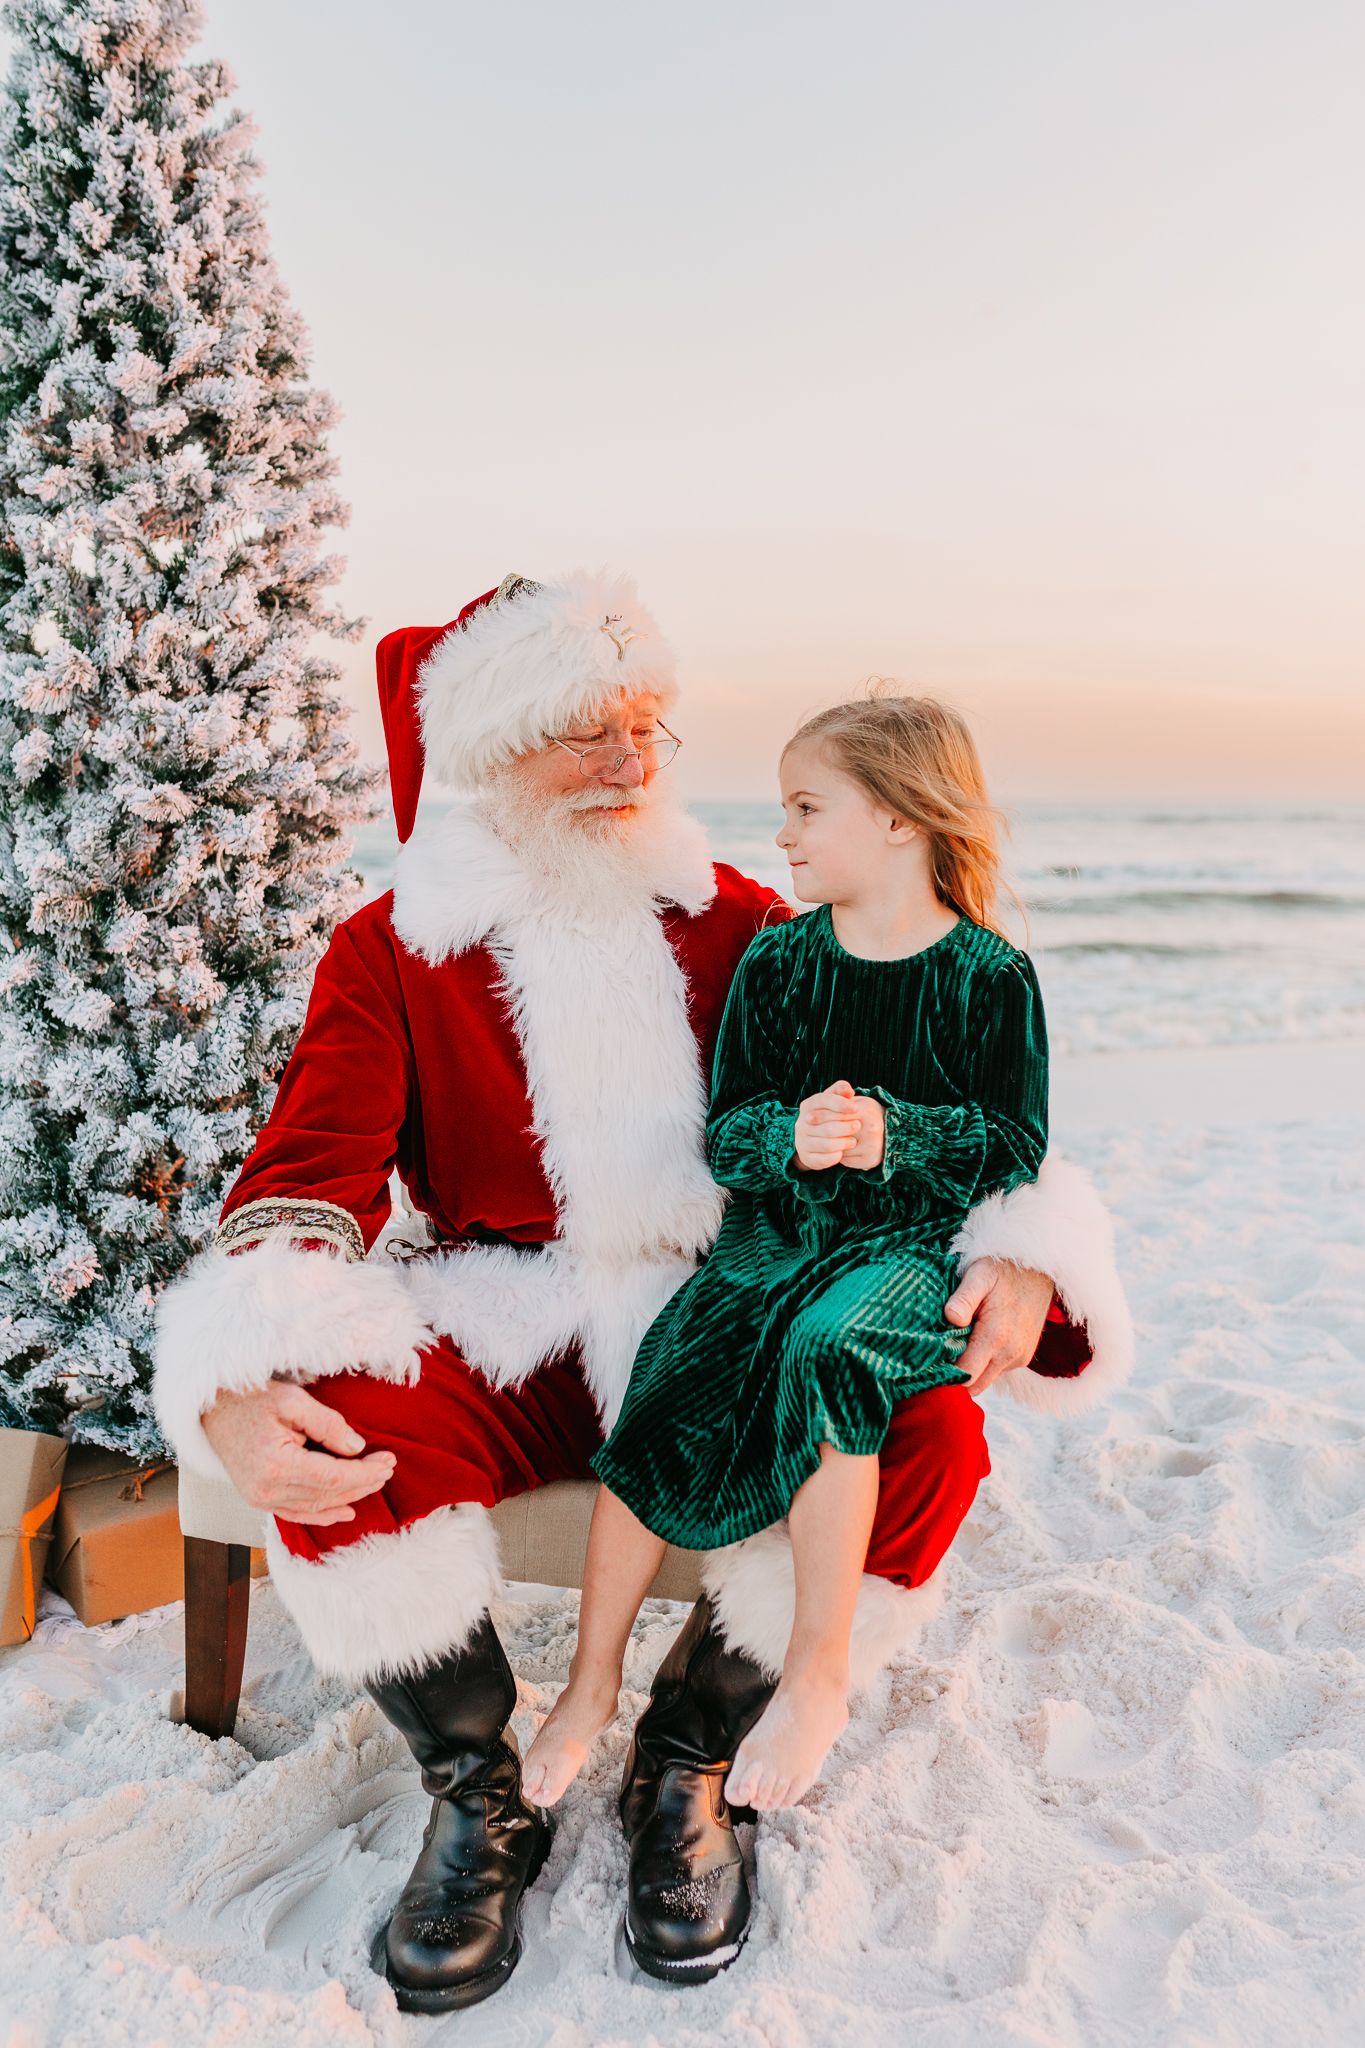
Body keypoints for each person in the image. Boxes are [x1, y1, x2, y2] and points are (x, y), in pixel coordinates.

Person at [152, 571, 1132, 2014]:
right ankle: (479, 1789)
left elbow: (960, 1098)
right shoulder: (390, 951)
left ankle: (689, 1758)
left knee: (923, 1427)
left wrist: (1020, 1247)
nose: (637, 766)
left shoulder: (748, 920)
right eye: (586, 734)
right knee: (334, 1423)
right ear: (488, 751)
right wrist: (235, 1375)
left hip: (727, 1299)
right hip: (508, 1309)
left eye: (650, 728)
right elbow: (308, 1178)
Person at [522, 694, 1049, 1822]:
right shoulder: (779, 961)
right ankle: (590, 1679)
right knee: (672, 1364)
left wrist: (895, 1132)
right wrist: (792, 1135)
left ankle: (815, 1674)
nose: (785, 834)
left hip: (907, 1252)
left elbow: (1014, 1144)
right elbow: (730, 1129)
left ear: (903, 817)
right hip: (775, 1238)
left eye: (808, 807)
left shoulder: (991, 977)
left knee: (825, 1344)